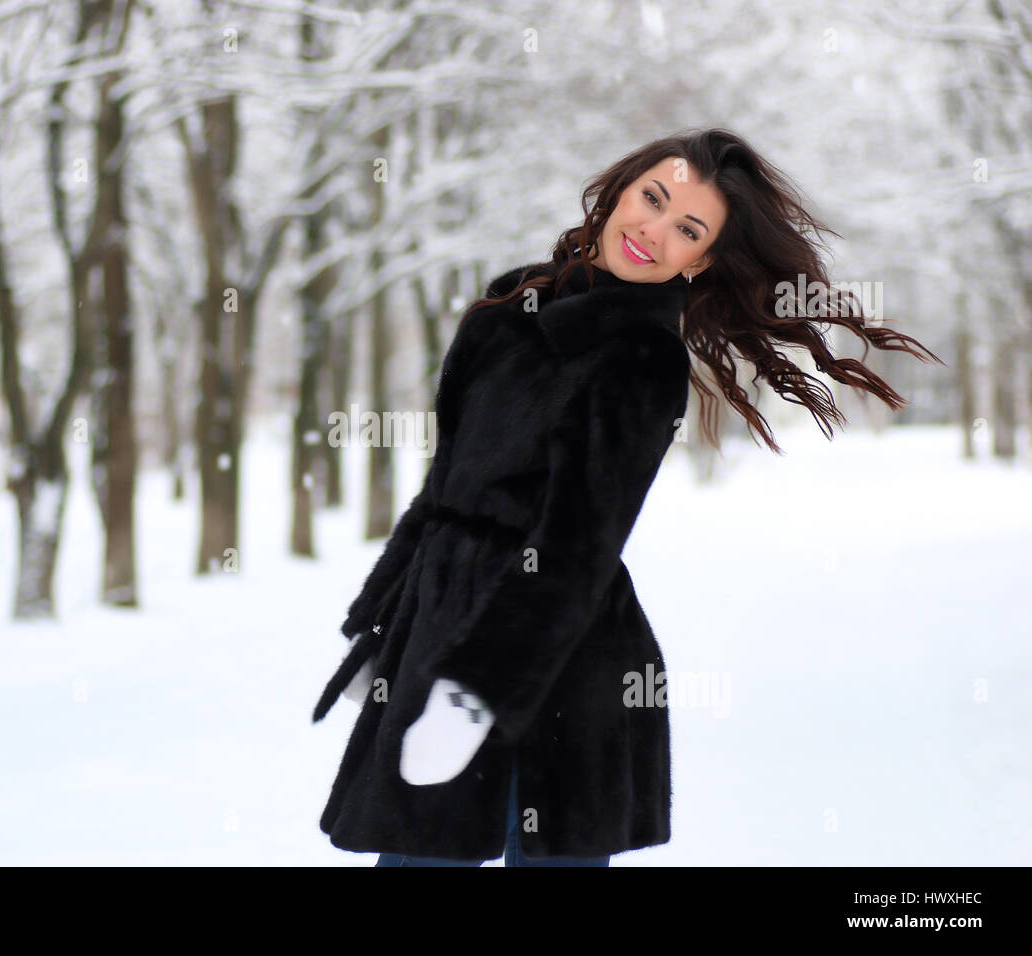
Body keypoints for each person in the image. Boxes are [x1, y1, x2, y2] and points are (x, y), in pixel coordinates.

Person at [311, 128, 941, 866]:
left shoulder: (642, 358)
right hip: (441, 637)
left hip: (560, 670)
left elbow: (577, 550)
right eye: (653, 198)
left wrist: (473, 694)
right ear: (622, 187)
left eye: (688, 229)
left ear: (700, 260)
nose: (653, 230)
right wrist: (384, 625)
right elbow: (443, 490)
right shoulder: (506, 308)